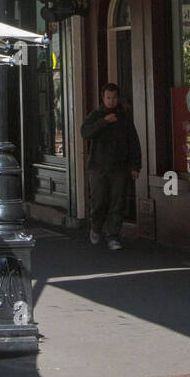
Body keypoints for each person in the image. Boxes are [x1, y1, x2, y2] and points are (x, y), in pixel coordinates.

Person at [80, 83, 142, 251]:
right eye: (108, 98)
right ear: (103, 98)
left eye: (114, 98)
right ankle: (96, 227)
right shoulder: (96, 115)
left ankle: (113, 236)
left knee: (117, 202)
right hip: (98, 167)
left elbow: (133, 143)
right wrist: (103, 122)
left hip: (119, 168)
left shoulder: (124, 118)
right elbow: (85, 133)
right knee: (99, 201)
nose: (111, 101)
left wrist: (135, 166)